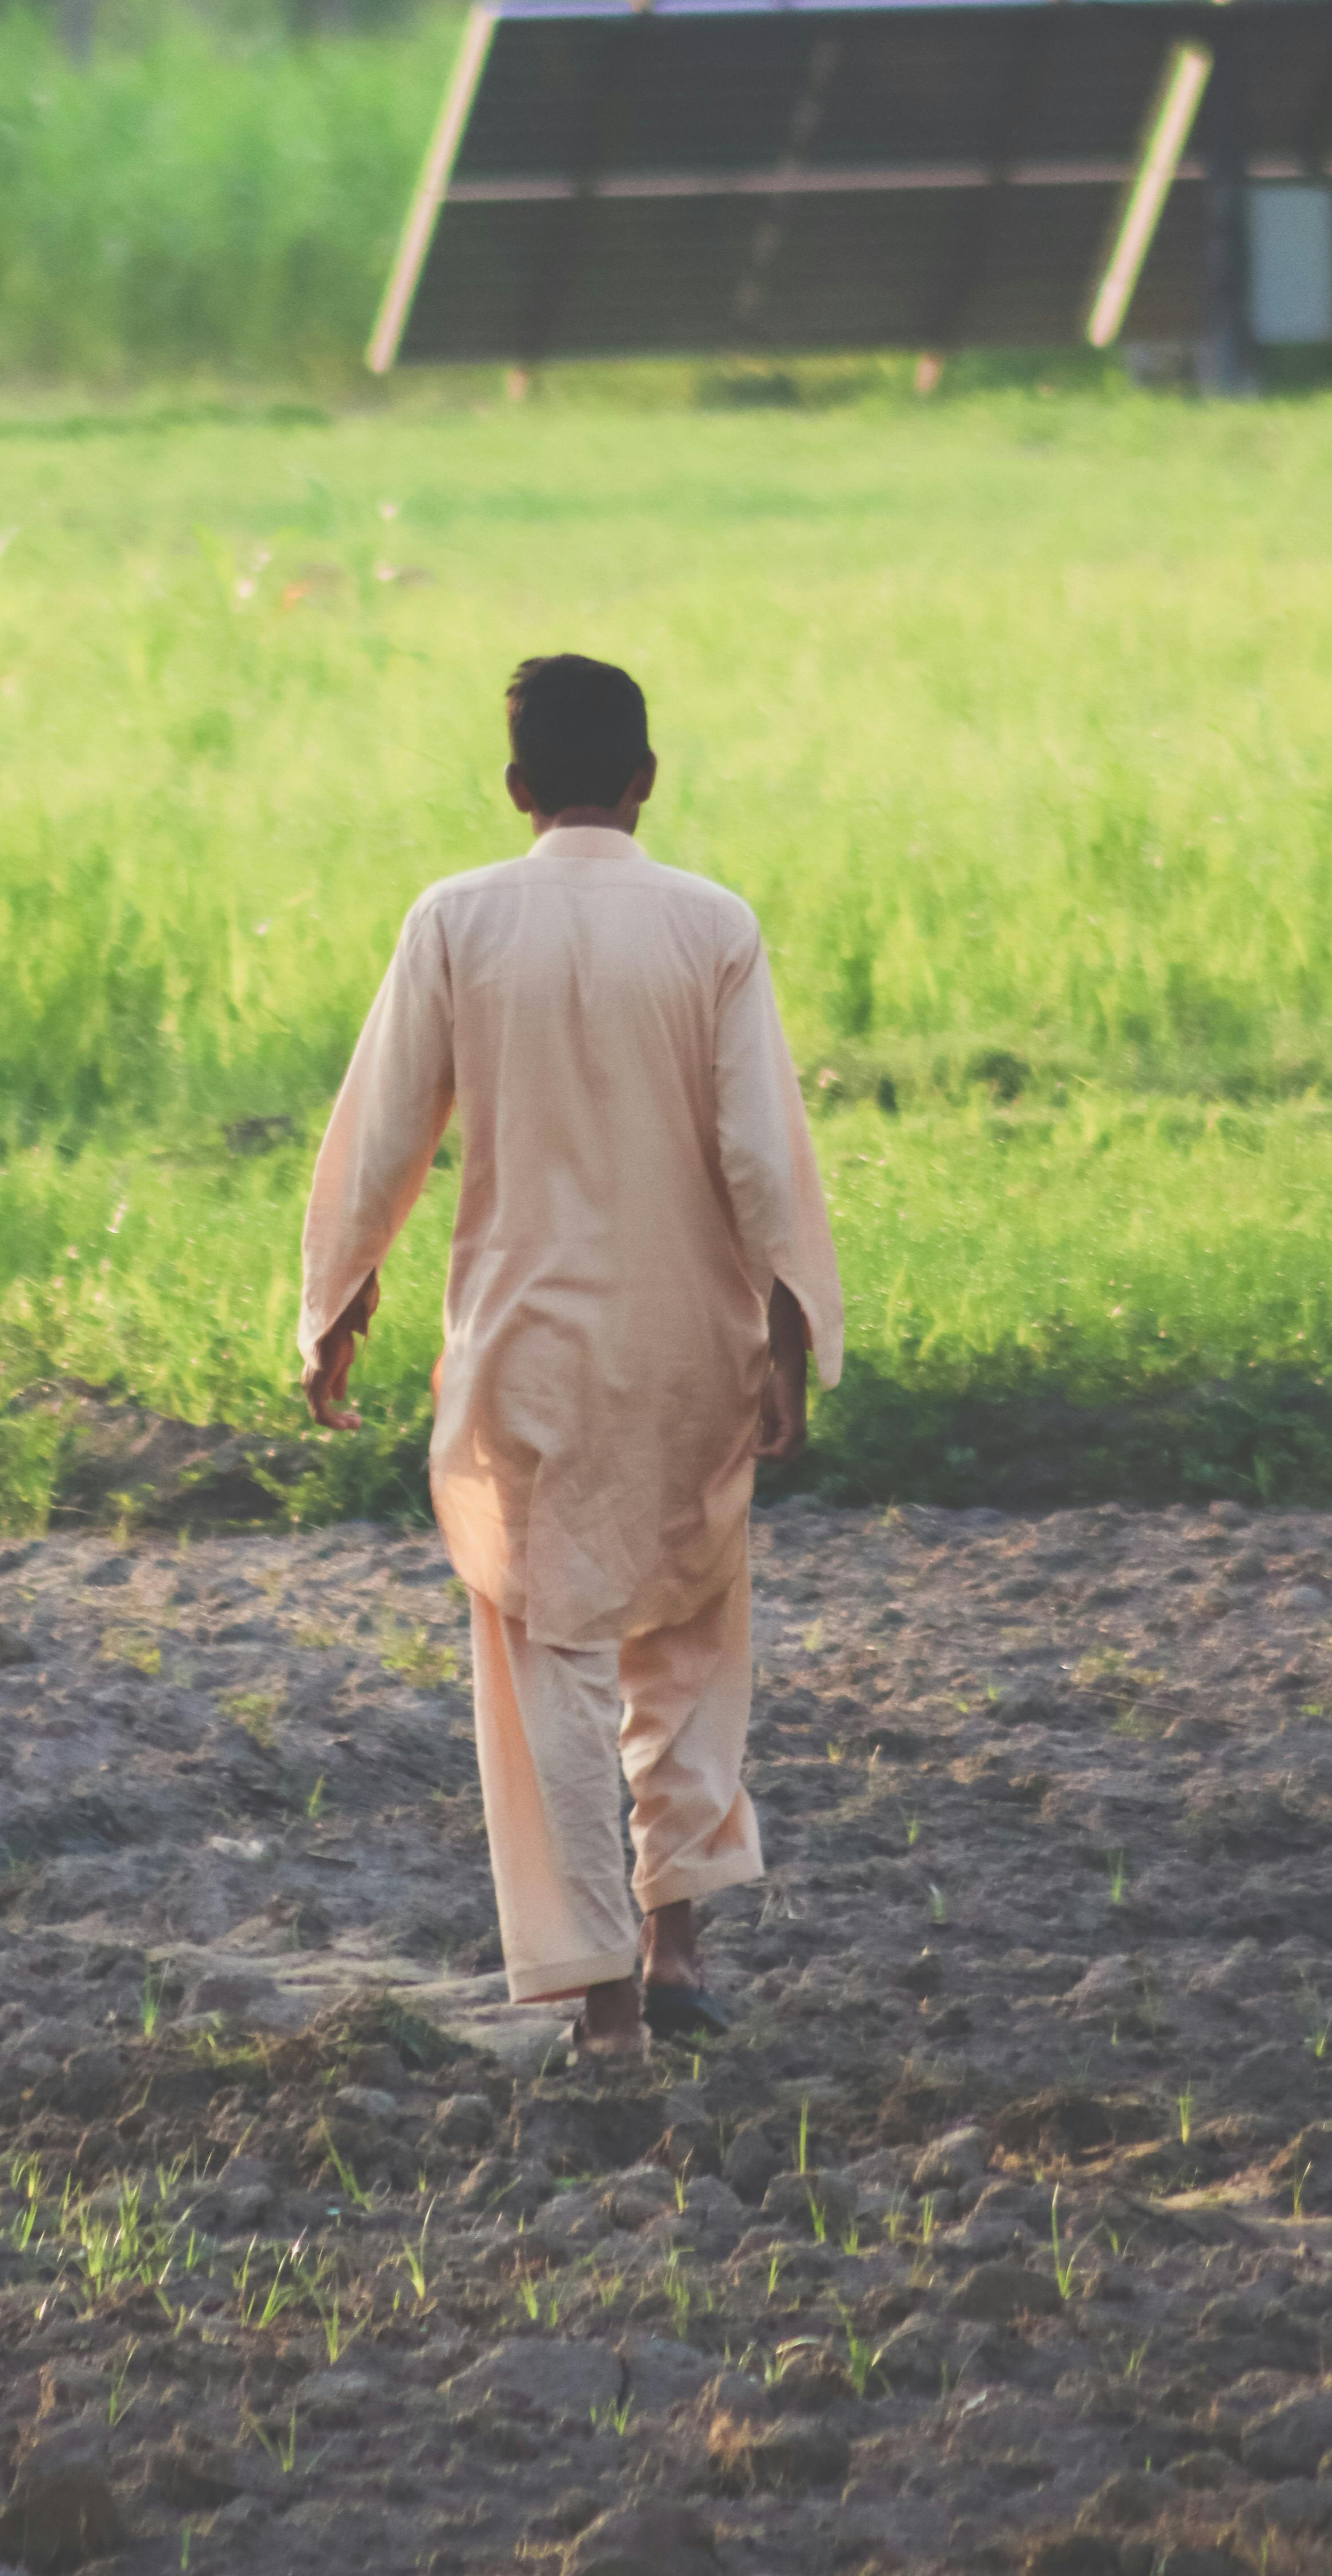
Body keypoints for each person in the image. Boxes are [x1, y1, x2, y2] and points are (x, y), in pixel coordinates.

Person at [298, 654, 842, 2055]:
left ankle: (598, 1997)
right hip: (685, 1348)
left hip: (522, 1356)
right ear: (647, 781)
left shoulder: (455, 920)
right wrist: (787, 1338)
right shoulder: (712, 926)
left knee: (550, 1657)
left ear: (516, 790)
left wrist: (338, 1301)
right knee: (685, 1637)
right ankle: (674, 1946)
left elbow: (381, 1140)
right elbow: (761, 1155)